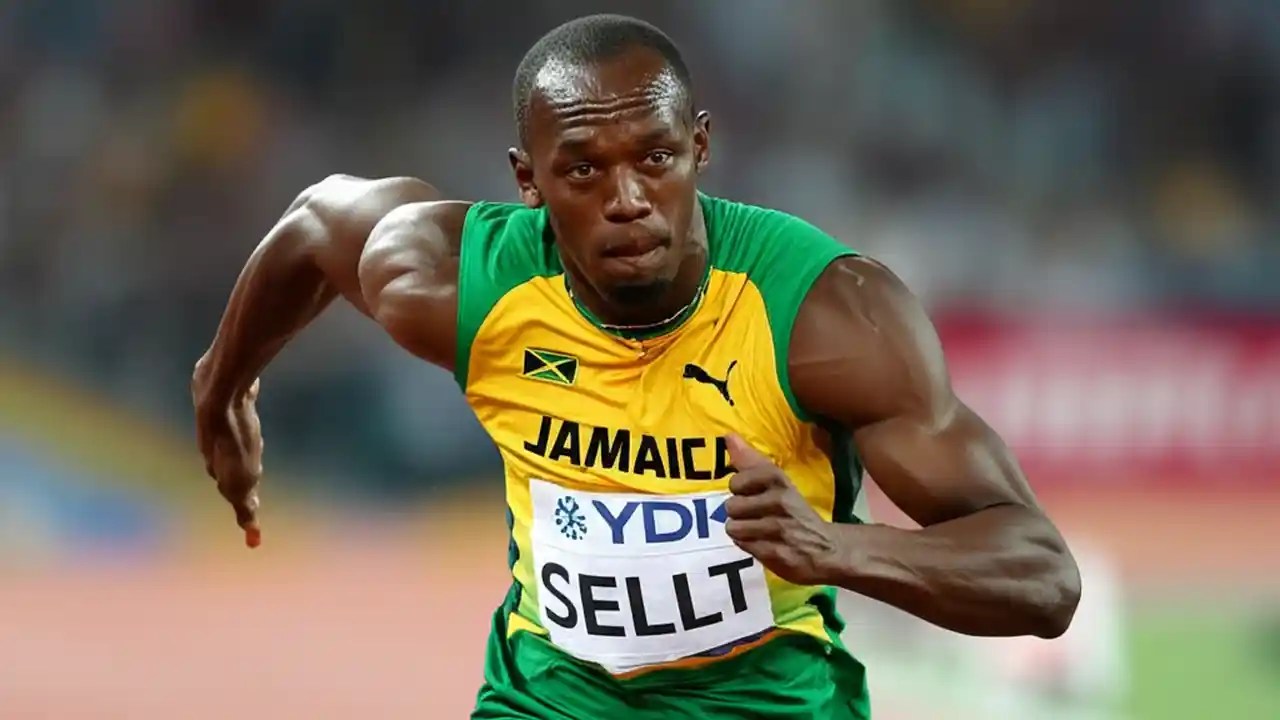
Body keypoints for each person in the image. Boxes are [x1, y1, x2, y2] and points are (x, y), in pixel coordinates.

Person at [191, 13, 1081, 719]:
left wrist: (837, 547)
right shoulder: (459, 287)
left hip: (766, 705)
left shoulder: (825, 316)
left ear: (700, 144)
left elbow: (1043, 577)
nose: (627, 201)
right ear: (527, 179)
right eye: (581, 170)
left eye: (655, 158)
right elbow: (314, 224)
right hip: (550, 701)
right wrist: (224, 387)